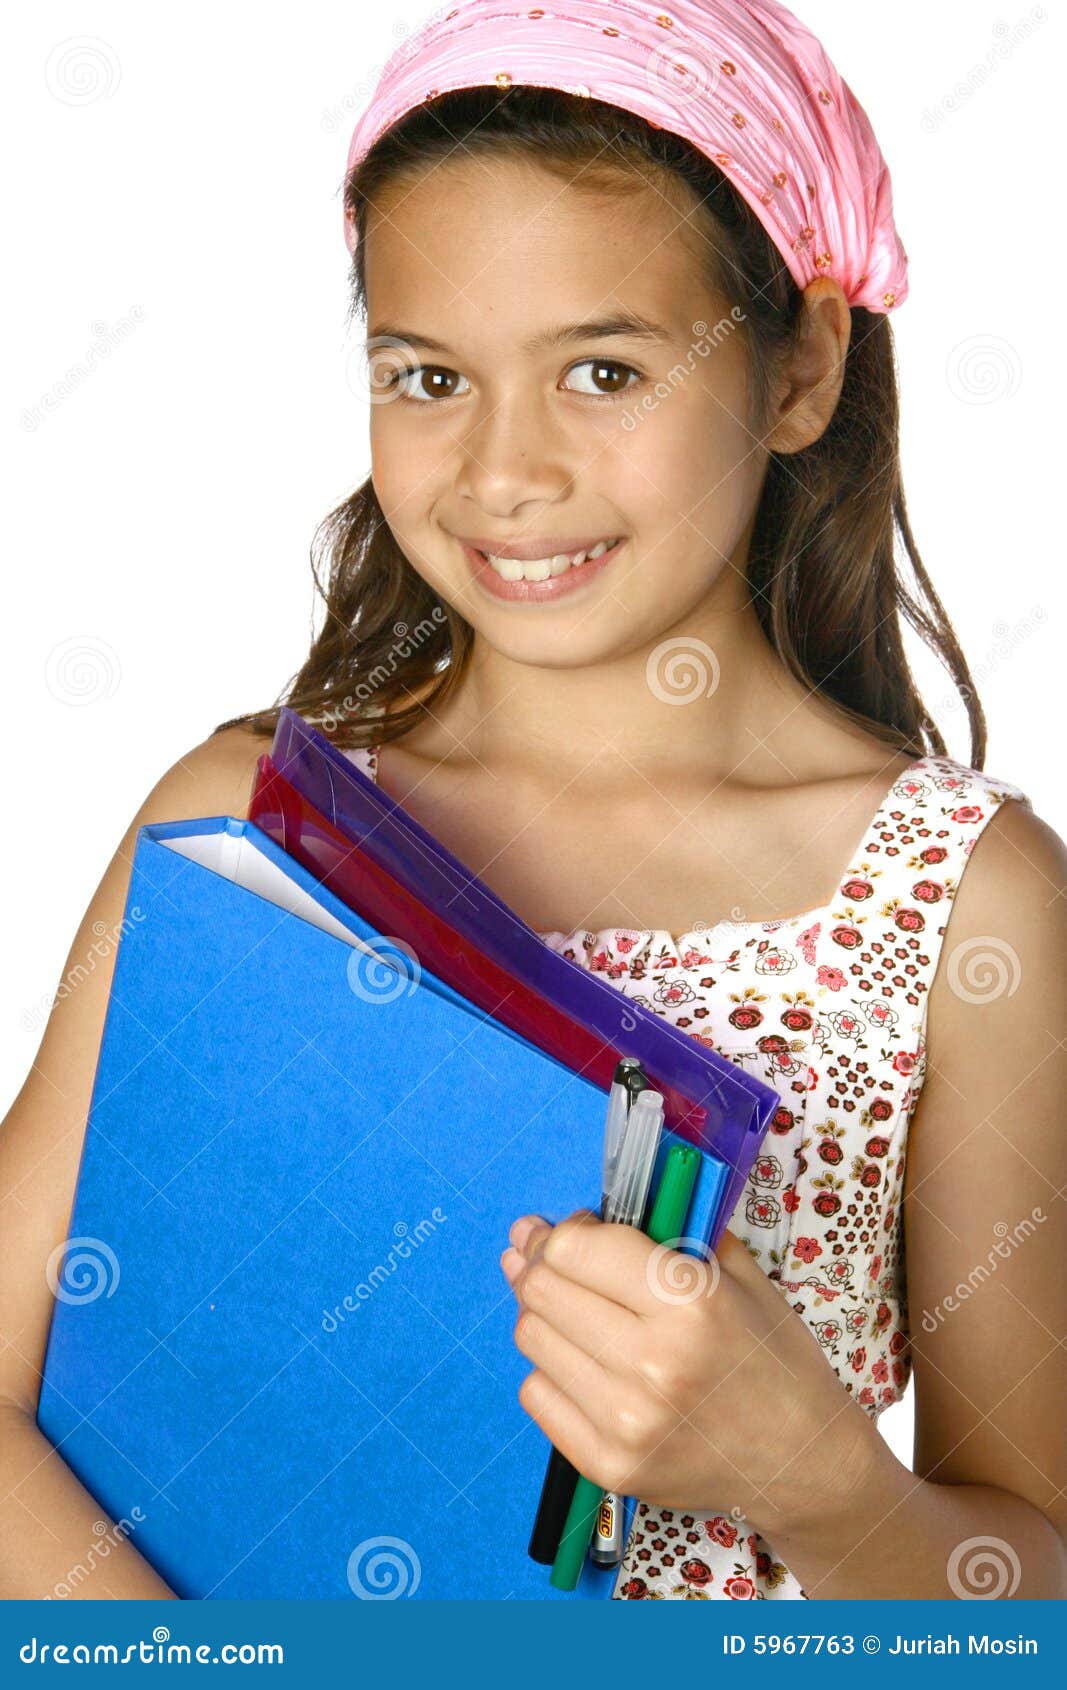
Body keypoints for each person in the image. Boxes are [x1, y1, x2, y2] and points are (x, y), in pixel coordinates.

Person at [2, 0, 1064, 1601]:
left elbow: (1033, 1601)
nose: (504, 470)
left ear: (803, 365)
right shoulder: (244, 834)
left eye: (604, 369)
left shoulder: (965, 900)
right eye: (429, 373)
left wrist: (819, 1480)